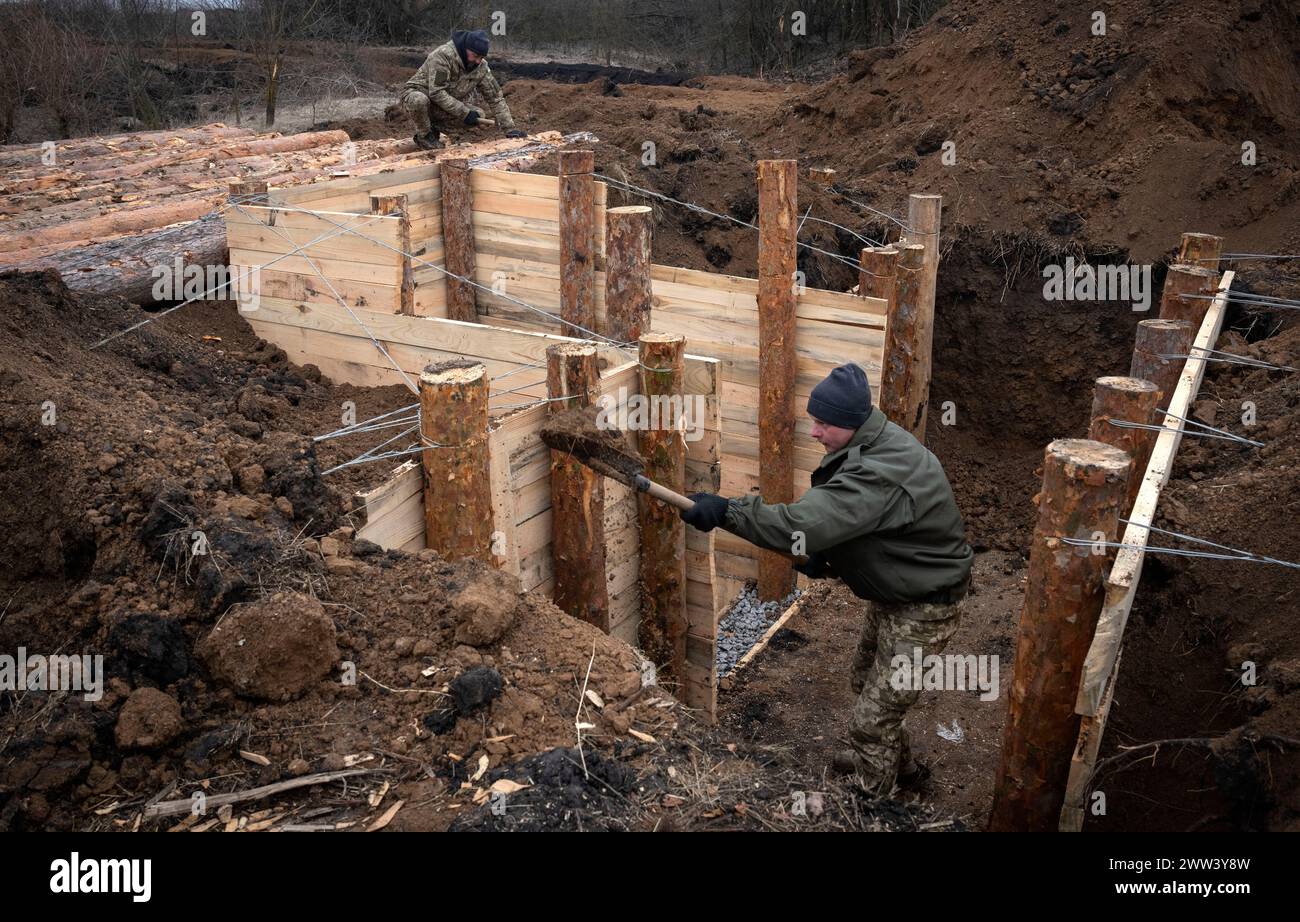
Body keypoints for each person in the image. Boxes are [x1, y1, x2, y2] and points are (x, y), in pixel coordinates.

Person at [680, 363, 973, 795]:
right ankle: (901, 768)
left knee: (872, 721)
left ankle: (871, 804)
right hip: (900, 589)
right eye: (814, 421)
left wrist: (727, 512)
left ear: (852, 423)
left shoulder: (882, 471)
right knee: (864, 682)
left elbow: (805, 523)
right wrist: (825, 558)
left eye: (823, 424)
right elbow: (863, 526)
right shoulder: (871, 441)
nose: (814, 433)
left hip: (926, 605)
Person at [399, 29, 526, 150]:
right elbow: (437, 92)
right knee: (418, 100)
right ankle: (424, 136)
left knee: (479, 115)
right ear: (465, 49)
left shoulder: (481, 67)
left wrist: (509, 129)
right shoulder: (443, 56)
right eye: (475, 56)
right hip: (419, 97)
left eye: (481, 57)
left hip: (443, 106)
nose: (477, 61)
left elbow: (495, 98)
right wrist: (464, 112)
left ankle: (435, 127)